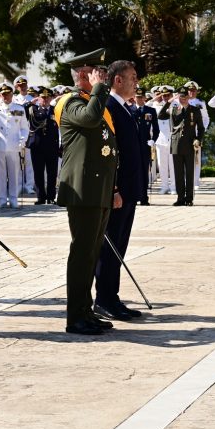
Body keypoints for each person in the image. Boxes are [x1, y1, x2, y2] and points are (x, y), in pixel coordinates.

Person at [54, 48, 119, 336]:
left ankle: (86, 311)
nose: (102, 78)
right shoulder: (71, 103)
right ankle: (74, 317)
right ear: (82, 75)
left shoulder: (90, 100)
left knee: (91, 254)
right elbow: (91, 119)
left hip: (97, 189)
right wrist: (98, 90)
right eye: (97, 73)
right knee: (81, 254)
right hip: (82, 190)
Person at [94, 61, 146, 321]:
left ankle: (111, 297)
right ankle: (103, 299)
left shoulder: (125, 108)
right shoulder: (108, 107)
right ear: (118, 81)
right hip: (117, 192)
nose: (137, 82)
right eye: (133, 77)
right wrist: (113, 188)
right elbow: (108, 154)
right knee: (109, 246)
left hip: (129, 190)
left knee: (119, 246)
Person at [0, 83, 28, 208]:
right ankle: (2, 199)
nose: (6, 97)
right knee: (0, 174)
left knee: (14, 173)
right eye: (3, 94)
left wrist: (23, 140)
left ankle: (14, 199)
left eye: (8, 94)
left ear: (12, 94)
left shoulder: (19, 109)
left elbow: (25, 128)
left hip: (14, 146)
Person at [163, 88, 204, 206]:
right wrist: (170, 101)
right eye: (181, 97)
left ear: (188, 97)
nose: (183, 99)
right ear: (178, 97)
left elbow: (201, 128)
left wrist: (198, 139)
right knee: (178, 173)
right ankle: (180, 198)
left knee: (190, 173)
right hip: (176, 144)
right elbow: (161, 115)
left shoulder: (195, 110)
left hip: (190, 144)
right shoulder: (174, 109)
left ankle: (189, 198)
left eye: (185, 97)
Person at [26, 87, 59, 205]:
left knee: (52, 173)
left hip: (52, 146)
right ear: (39, 98)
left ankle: (51, 197)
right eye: (43, 97)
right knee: (38, 172)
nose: (45, 100)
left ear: (51, 98)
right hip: (37, 146)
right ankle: (41, 197)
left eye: (47, 97)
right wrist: (31, 102)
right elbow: (22, 110)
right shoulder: (32, 109)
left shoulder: (56, 110)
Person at [132, 88, 159, 206]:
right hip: (133, 146)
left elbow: (156, 129)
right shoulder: (131, 110)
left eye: (141, 97)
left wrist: (153, 140)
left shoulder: (151, 111)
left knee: (144, 171)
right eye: (137, 97)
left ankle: (144, 197)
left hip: (145, 144)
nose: (139, 99)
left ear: (144, 98)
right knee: (133, 171)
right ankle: (133, 196)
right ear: (134, 98)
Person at [184, 81, 210, 189]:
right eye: (190, 90)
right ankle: (186, 181)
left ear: (197, 91)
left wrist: (201, 131)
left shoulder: (201, 103)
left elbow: (206, 118)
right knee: (184, 157)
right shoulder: (182, 101)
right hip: (185, 133)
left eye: (194, 90)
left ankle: (195, 182)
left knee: (196, 159)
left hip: (196, 133)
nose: (192, 92)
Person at [151, 86, 176, 196]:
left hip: (173, 139)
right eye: (163, 95)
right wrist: (155, 98)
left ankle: (174, 187)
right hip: (160, 140)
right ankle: (164, 186)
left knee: (173, 165)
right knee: (162, 165)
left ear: (171, 95)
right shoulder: (156, 106)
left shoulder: (176, 105)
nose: (165, 97)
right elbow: (146, 105)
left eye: (167, 95)